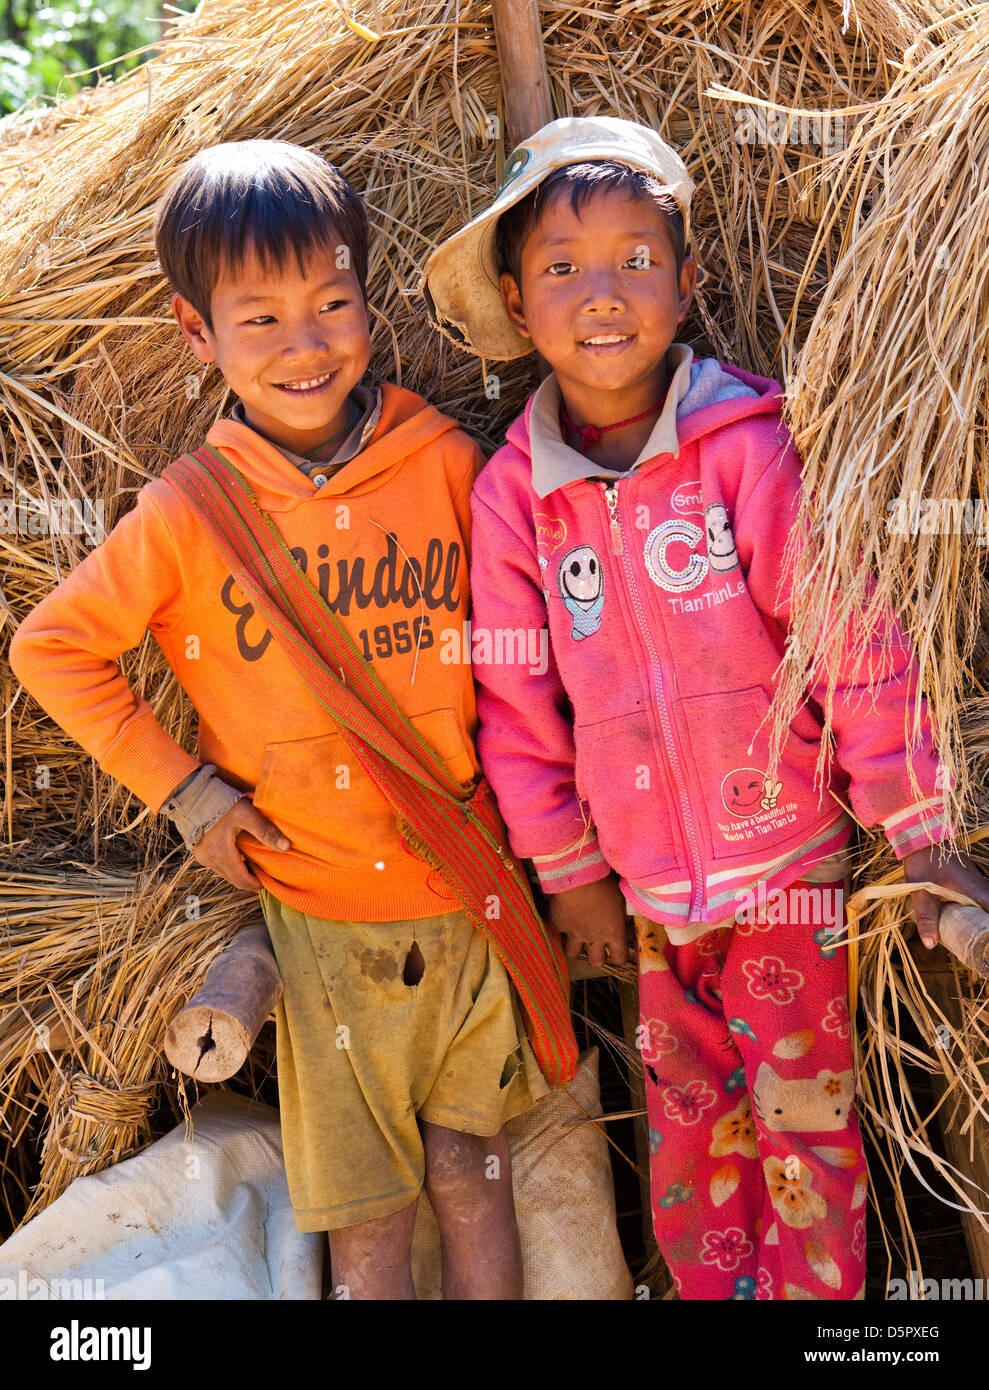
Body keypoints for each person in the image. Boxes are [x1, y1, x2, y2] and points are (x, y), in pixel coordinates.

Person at [422, 114, 989, 1299]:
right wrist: (566, 867)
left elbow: (842, 631)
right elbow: (514, 698)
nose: (602, 292)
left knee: (804, 1137)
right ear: (517, 306)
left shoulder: (743, 449)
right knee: (688, 1143)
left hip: (786, 871)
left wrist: (917, 826)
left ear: (684, 284)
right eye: (562, 268)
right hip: (648, 899)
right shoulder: (515, 496)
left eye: (636, 259)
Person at [8, 139, 574, 1301]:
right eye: (259, 319)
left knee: (475, 1174)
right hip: (317, 919)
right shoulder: (189, 516)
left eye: (330, 304)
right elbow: (52, 648)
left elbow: (530, 643)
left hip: (466, 886)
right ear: (195, 333)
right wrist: (187, 793)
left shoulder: (444, 465)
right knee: (365, 1215)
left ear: (369, 301)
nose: (304, 344)